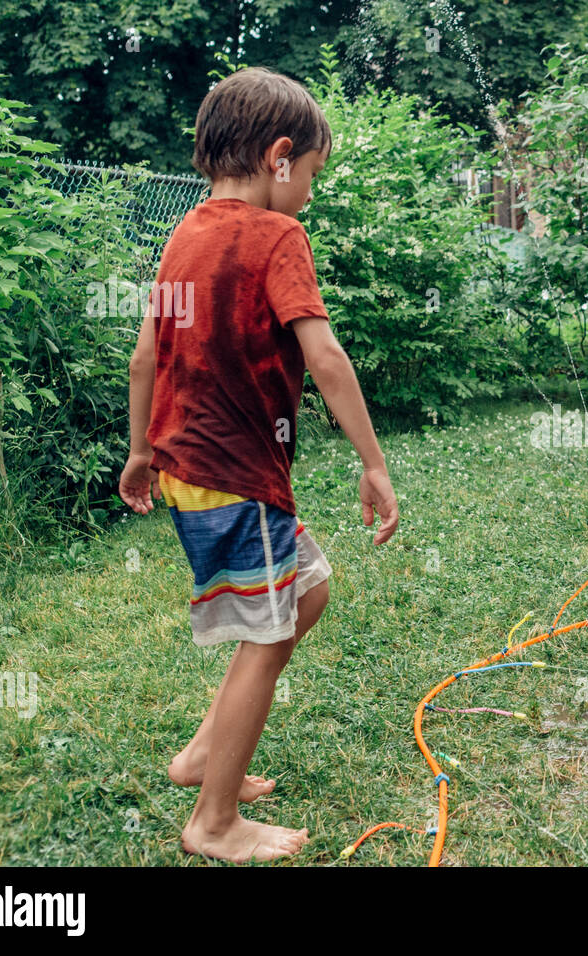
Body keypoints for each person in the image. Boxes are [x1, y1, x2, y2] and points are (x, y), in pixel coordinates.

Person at [118, 66, 399, 862]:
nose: (308, 191)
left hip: (184, 469)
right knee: (268, 635)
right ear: (280, 157)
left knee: (306, 589)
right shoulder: (278, 237)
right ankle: (212, 822)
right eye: (310, 172)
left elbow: (146, 354)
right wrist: (373, 463)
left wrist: (140, 451)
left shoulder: (184, 235)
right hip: (236, 475)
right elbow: (327, 357)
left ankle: (205, 755)